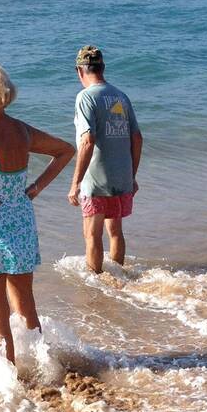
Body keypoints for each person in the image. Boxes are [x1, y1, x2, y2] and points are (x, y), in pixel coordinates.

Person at [0, 58, 75, 365]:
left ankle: (8, 379)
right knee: (25, 302)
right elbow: (66, 150)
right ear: (6, 93)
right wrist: (35, 188)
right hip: (21, 218)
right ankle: (43, 364)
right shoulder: (23, 131)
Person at [68, 45, 143, 275]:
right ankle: (119, 275)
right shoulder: (120, 96)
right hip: (121, 176)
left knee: (92, 235)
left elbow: (88, 140)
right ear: (103, 67)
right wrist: (132, 175)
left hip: (96, 179)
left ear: (80, 70)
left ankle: (96, 287)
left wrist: (75, 183)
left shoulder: (85, 97)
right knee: (116, 232)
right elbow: (137, 138)